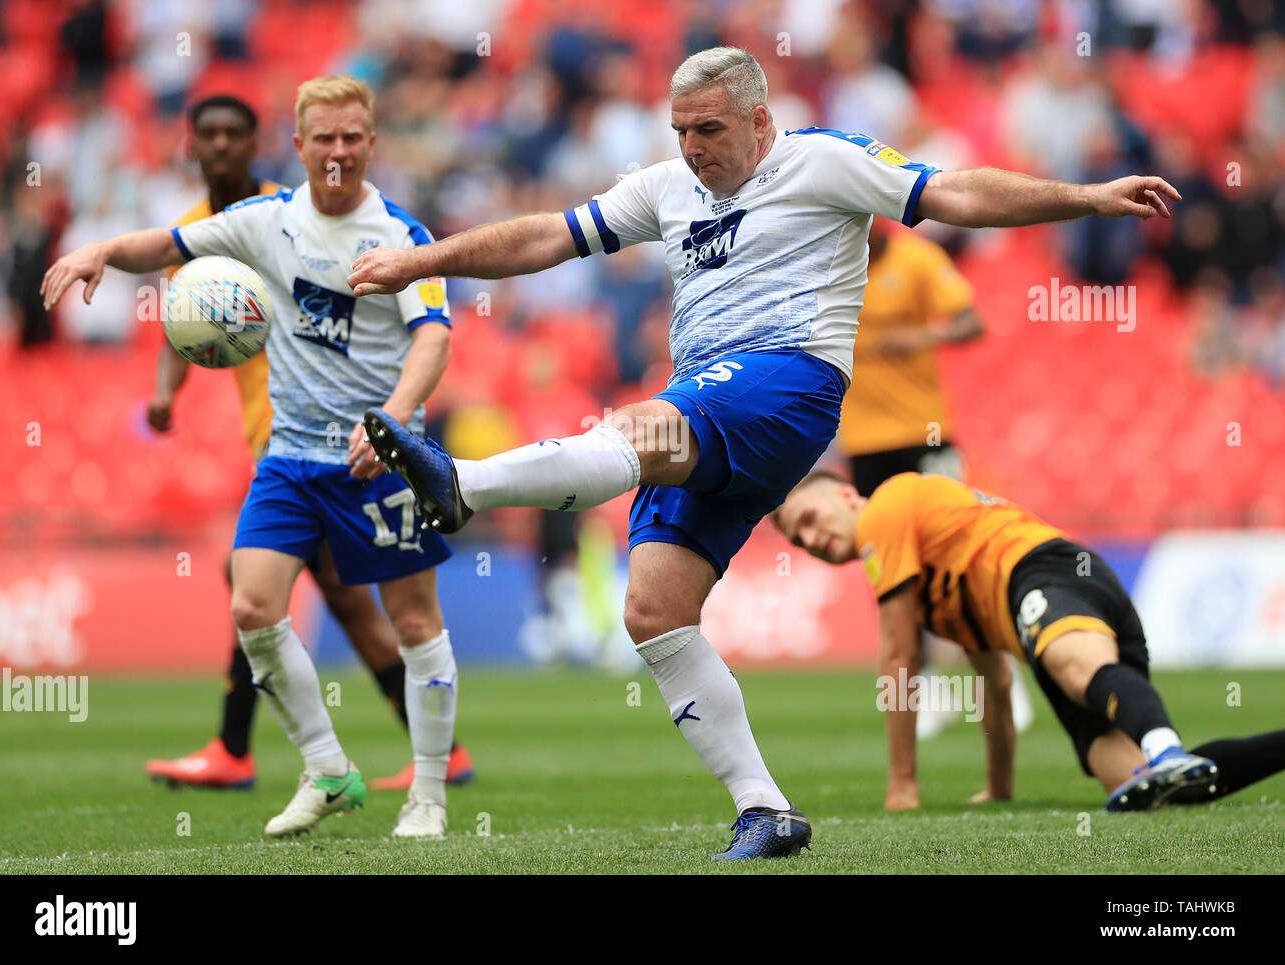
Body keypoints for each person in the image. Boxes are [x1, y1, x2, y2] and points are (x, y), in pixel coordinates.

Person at [347, 46, 1181, 859]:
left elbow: (955, 191)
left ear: (759, 117)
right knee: (654, 611)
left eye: (708, 128)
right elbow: (547, 239)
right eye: (680, 130)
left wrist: (1088, 197)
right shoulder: (668, 187)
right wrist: (425, 261)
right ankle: (766, 809)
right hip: (711, 399)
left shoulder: (826, 162)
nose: (692, 148)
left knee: (646, 426)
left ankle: (461, 485)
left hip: (789, 384)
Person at [42, 76, 461, 839]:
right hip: (292, 457)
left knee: (413, 620)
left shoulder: (405, 235)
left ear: (371, 144)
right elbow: (168, 246)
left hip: (380, 461)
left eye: (352, 138)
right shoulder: (264, 221)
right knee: (251, 604)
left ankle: (428, 792)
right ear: (298, 147)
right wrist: (102, 248)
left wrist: (394, 421)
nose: (338, 152)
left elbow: (433, 336)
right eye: (323, 138)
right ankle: (328, 768)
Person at [141, 94, 473, 793]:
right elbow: (186, 313)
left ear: (268, 142)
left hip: (324, 430)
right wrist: (168, 391)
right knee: (312, 592)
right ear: (192, 146)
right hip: (280, 431)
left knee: (279, 585)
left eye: (237, 133)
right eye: (210, 135)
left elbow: (427, 325)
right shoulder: (202, 229)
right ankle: (412, 747)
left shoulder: (285, 212)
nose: (223, 146)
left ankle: (241, 748)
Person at [772, 470, 1285, 811]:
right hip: (1052, 621)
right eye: (799, 542)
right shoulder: (939, 582)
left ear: (845, 494)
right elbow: (995, 683)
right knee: (1154, 792)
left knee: (1076, 668)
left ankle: (1165, 746)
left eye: (809, 520)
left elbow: (899, 655)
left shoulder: (884, 511)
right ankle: (1181, 754)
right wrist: (1000, 789)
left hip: (1047, 573)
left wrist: (902, 784)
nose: (812, 541)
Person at [837, 215, 1032, 740]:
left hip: (927, 435)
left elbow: (973, 321)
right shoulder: (831, 265)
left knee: (957, 550)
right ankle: (924, 687)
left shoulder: (917, 259)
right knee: (892, 563)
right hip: (864, 441)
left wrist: (919, 335)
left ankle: (1000, 675)